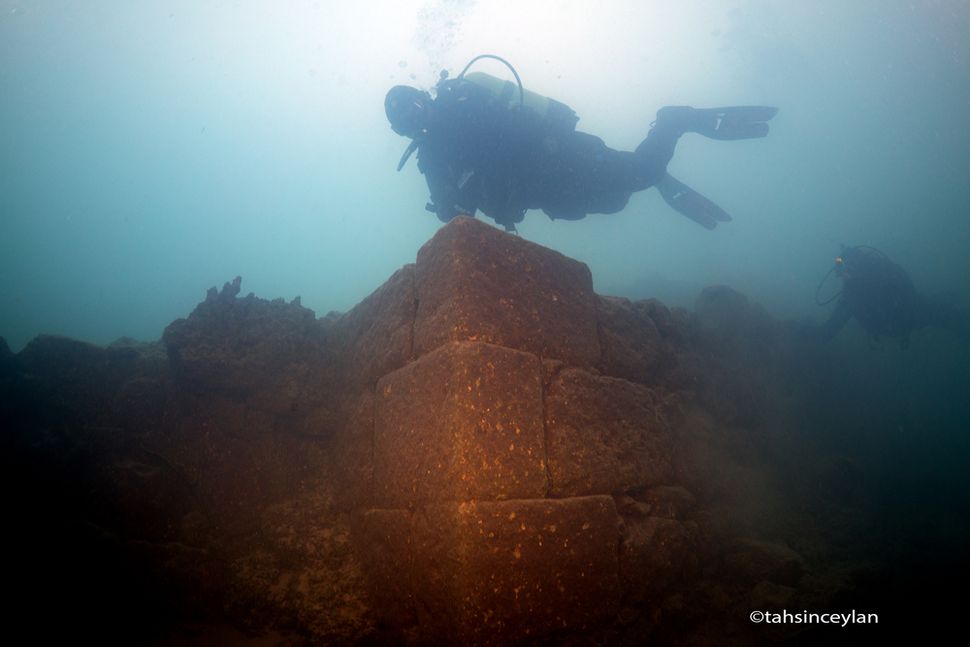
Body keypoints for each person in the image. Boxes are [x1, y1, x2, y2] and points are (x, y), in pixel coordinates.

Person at [384, 55, 778, 232]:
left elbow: (514, 133)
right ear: (404, 132)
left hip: (564, 158)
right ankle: (654, 172)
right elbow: (455, 214)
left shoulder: (465, 101)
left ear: (425, 97)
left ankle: (673, 121)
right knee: (617, 201)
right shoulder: (432, 157)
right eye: (407, 122)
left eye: (415, 108)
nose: (418, 120)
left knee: (639, 176)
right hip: (548, 193)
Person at [813, 245, 970, 347]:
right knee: (935, 311)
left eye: (845, 268)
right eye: (839, 270)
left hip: (913, 316)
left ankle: (951, 300)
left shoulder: (882, 275)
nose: (841, 275)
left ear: (857, 266)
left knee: (945, 315)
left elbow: (911, 296)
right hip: (900, 325)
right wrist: (793, 333)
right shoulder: (850, 297)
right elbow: (828, 331)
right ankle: (947, 299)